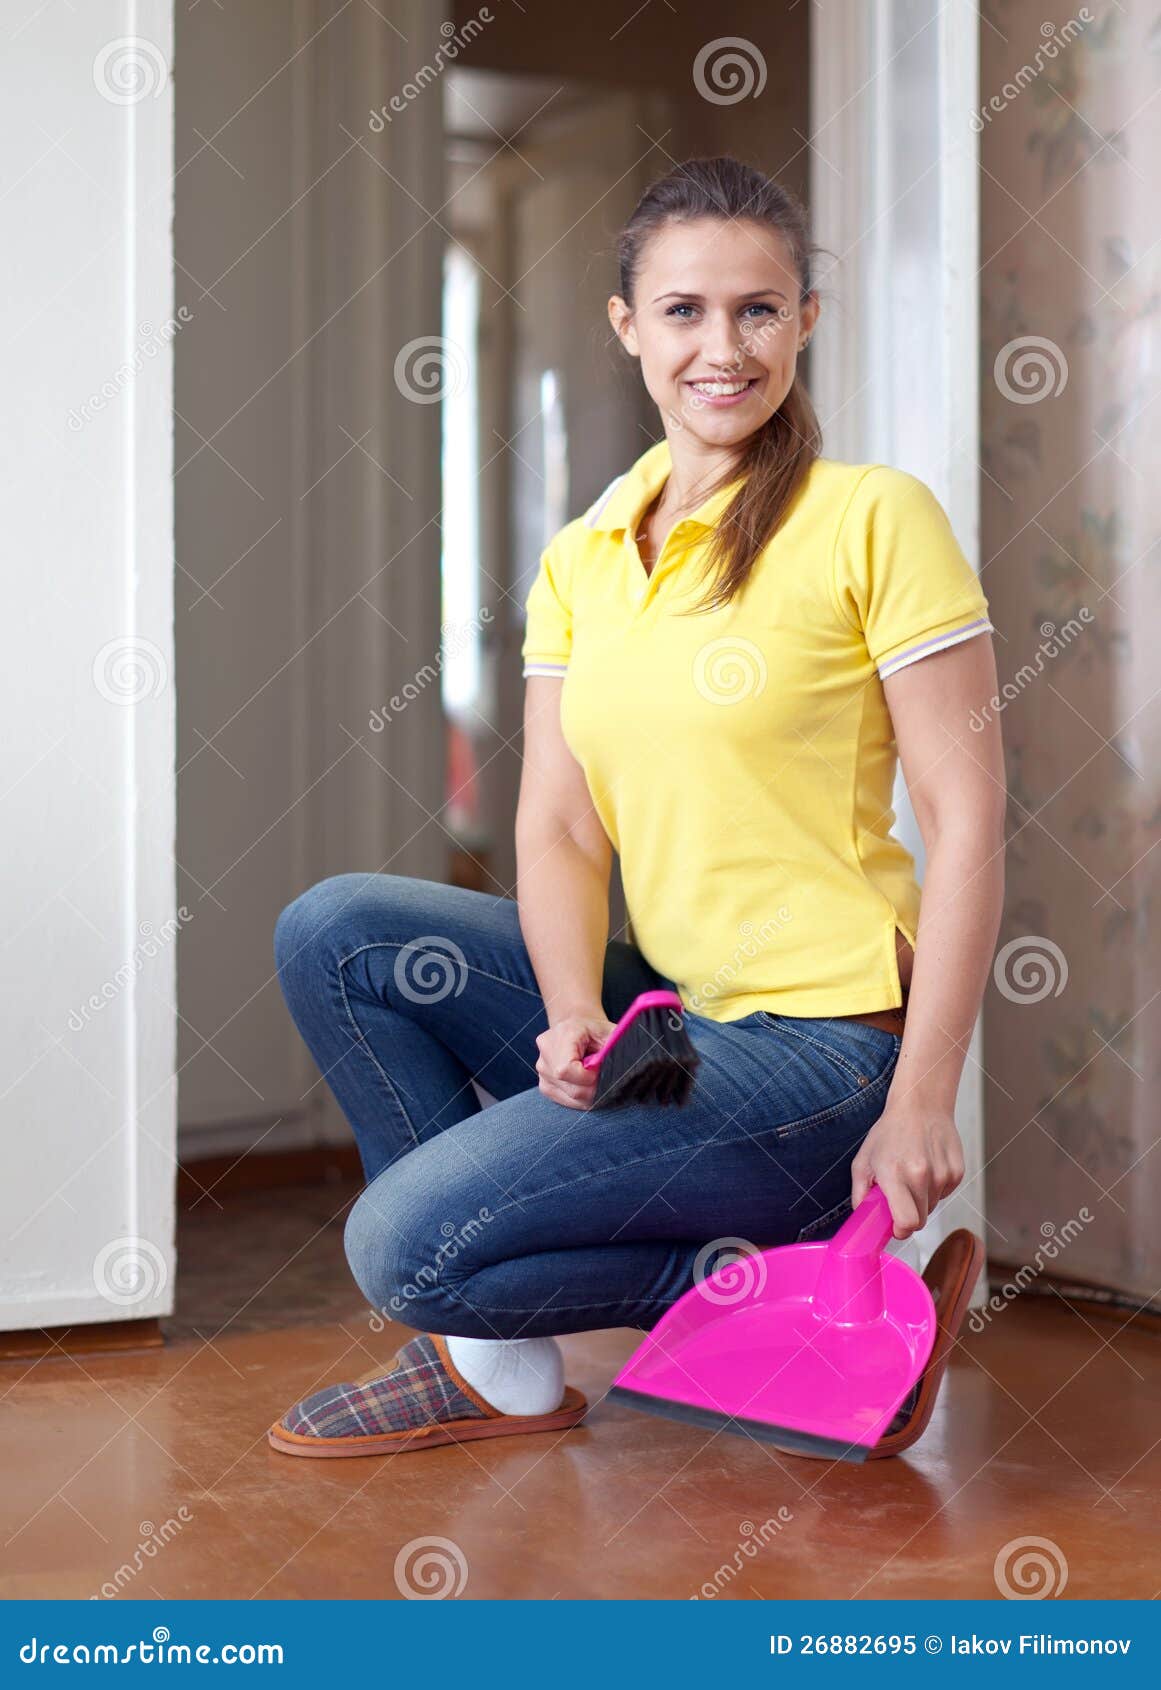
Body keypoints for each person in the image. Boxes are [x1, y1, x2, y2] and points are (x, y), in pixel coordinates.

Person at [266, 156, 1005, 1459]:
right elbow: (556, 824)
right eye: (682, 311)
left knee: (399, 1244)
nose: (721, 347)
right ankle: (499, 1355)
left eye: (757, 309)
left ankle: (755, 1278)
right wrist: (568, 1010)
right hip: (673, 1023)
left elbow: (967, 816)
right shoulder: (586, 554)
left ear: (805, 320)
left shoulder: (871, 519)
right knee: (338, 930)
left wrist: (923, 1095)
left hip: (823, 1051)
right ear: (626, 326)